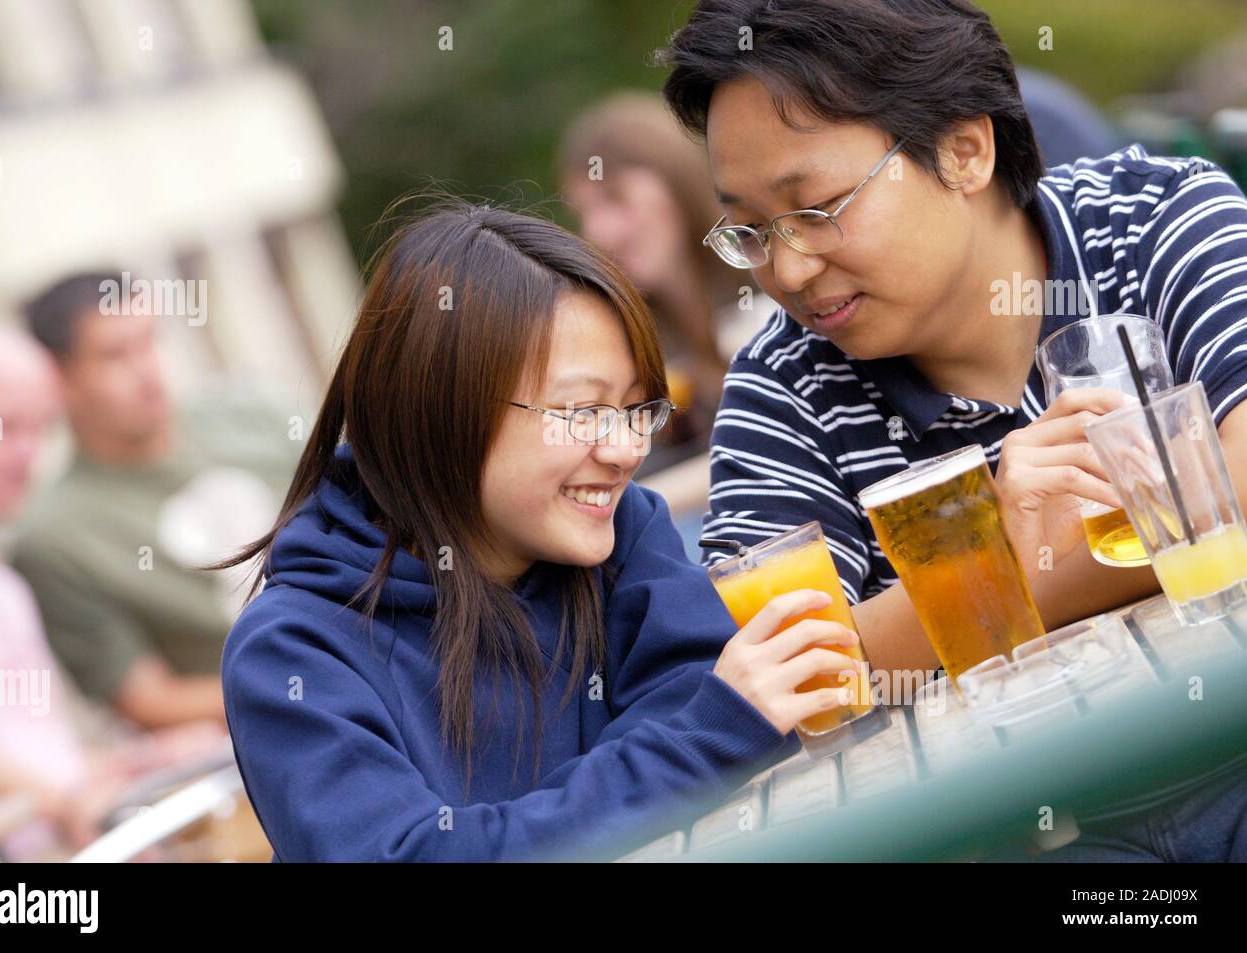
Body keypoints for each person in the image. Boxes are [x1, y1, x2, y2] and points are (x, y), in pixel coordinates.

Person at [658, 0, 1247, 861]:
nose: (785, 268)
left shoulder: (1157, 219)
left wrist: (988, 585)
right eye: (749, 231)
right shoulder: (783, 386)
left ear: (965, 149)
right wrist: (1003, 553)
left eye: (815, 208)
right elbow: (771, 682)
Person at [218, 198, 868, 861]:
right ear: (443, 411)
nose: (623, 450)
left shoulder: (622, 533)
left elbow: (698, 688)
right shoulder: (292, 653)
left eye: (634, 407)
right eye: (582, 411)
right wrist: (700, 744)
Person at [0, 326, 225, 858]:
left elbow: (25, 748)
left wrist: (132, 761)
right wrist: (64, 799)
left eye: (41, 430)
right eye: (1, 428)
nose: (27, 454)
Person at [10, 273, 300, 729]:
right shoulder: (53, 537)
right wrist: (303, 687)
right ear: (59, 380)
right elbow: (148, 700)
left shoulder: (257, 414)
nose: (146, 369)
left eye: (149, 341)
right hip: (278, 731)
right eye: (114, 355)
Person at [559, 92, 774, 464]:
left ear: (674, 182)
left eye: (615, 198)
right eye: (585, 213)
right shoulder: (630, 345)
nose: (599, 232)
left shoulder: (772, 275)